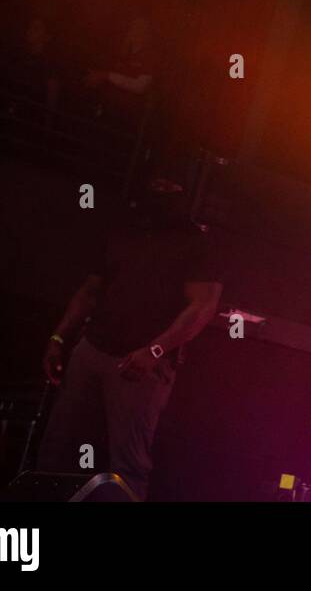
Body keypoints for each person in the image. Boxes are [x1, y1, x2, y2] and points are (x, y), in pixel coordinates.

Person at [35, 180, 222, 500]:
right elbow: (91, 290)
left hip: (141, 364)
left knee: (127, 465)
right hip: (94, 348)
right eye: (156, 182)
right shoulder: (124, 230)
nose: (160, 189)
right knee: (57, 449)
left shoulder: (194, 241)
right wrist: (59, 336)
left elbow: (203, 306)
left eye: (169, 183)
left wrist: (155, 349)